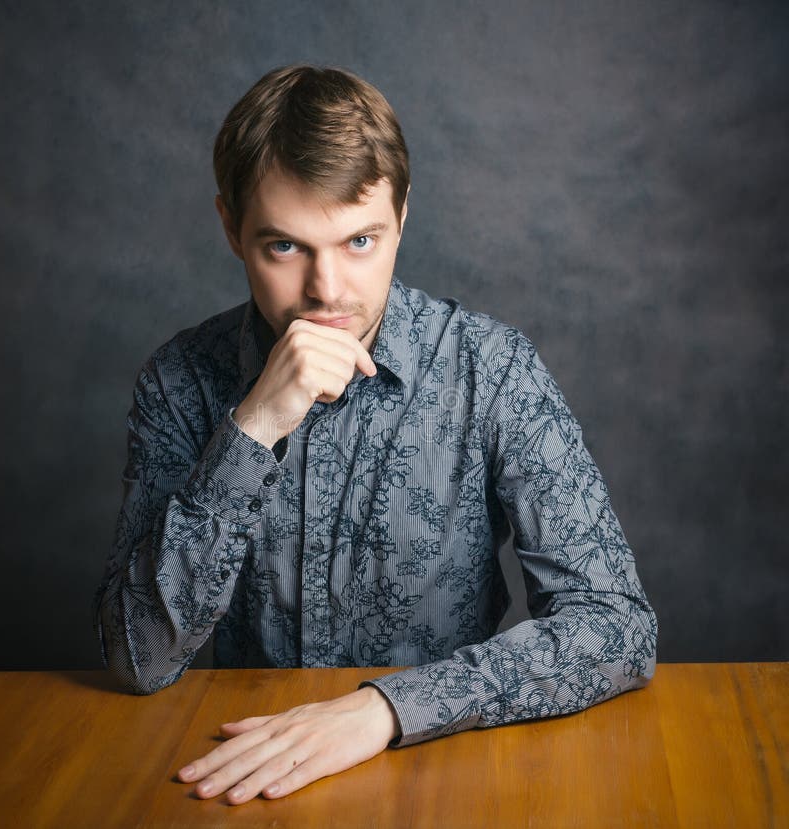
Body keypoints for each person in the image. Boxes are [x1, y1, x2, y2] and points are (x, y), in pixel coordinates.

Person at [94, 64, 657, 805]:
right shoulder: (177, 381)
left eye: (360, 241)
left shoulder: (492, 369)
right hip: (240, 779)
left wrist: (385, 708)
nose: (327, 291)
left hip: (443, 775)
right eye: (286, 247)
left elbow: (615, 627)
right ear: (231, 227)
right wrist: (253, 425)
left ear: (402, 217)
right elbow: (139, 657)